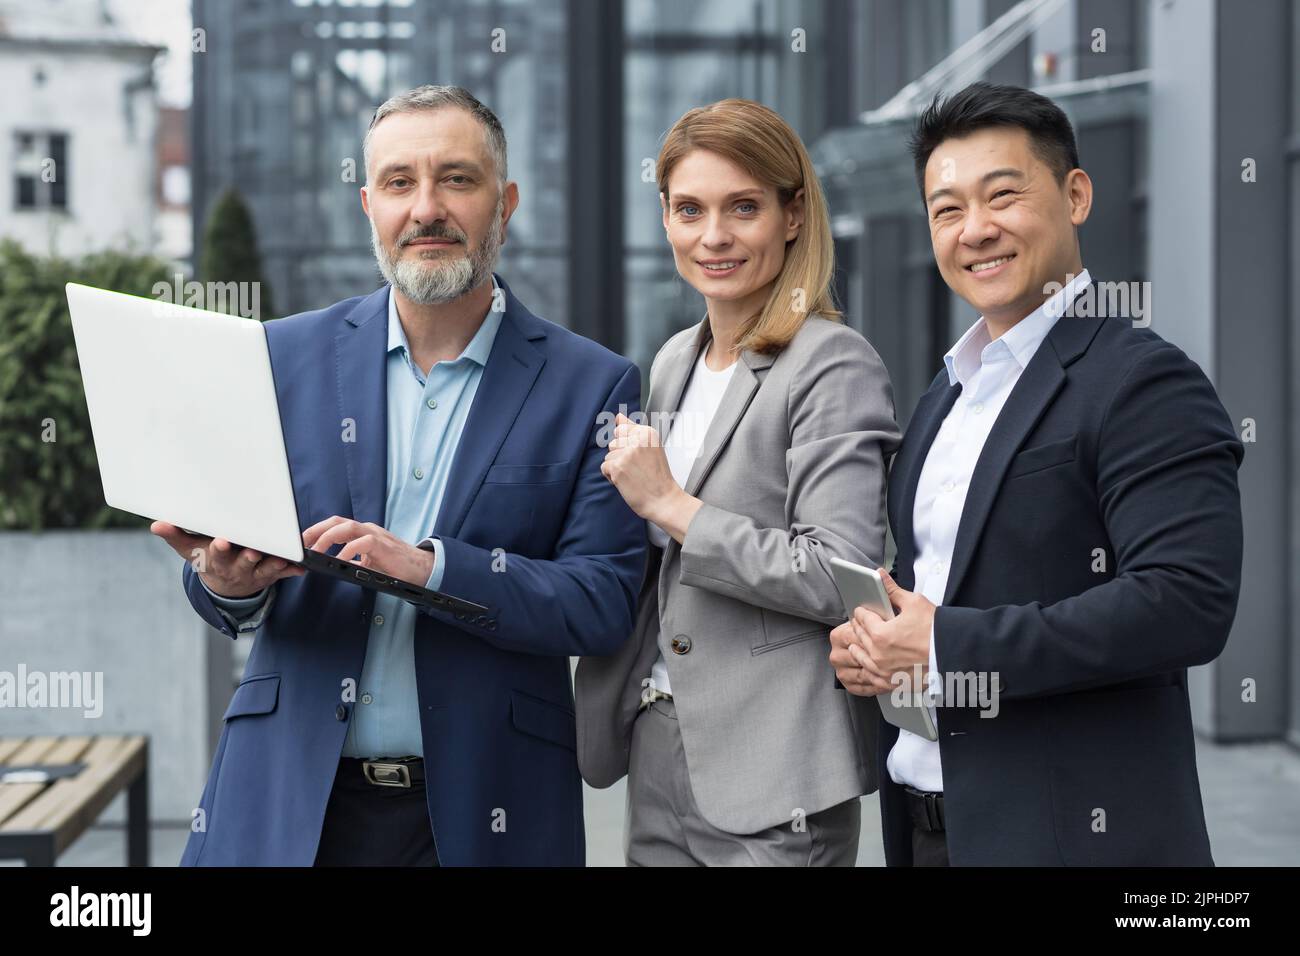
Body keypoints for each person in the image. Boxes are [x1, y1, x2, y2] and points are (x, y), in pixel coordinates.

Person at [152, 85, 646, 866]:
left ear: (505, 202)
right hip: (288, 800)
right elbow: (215, 580)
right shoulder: (279, 359)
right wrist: (224, 581)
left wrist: (429, 569)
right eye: (399, 183)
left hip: (489, 807)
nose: (427, 209)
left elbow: (604, 599)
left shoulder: (593, 384)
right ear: (369, 205)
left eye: (457, 179)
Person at [829, 82, 1244, 866]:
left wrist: (947, 644)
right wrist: (883, 646)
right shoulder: (945, 395)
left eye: (1003, 195)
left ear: (1076, 194)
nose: (975, 230)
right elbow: (947, 593)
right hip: (926, 828)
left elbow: (1186, 602)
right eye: (947, 209)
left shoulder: (1141, 380)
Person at [576, 98, 901, 866]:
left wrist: (671, 504)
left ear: (793, 215)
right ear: (664, 218)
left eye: (742, 208)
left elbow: (837, 571)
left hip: (774, 771)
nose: (713, 235)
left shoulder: (832, 362)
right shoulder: (673, 361)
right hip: (659, 742)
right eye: (689, 209)